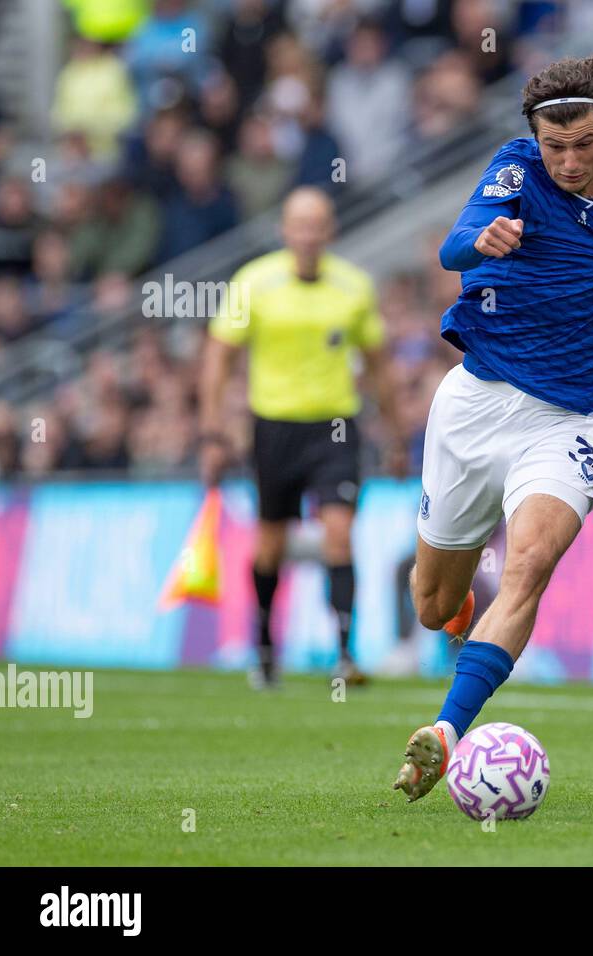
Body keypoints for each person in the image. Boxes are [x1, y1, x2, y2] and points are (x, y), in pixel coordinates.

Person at [392, 51, 593, 804]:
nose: (569, 161)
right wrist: (484, 241)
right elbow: (450, 248)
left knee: (530, 563)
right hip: (475, 406)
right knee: (432, 604)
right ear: (535, 137)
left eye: (583, 144)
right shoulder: (514, 169)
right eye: (554, 145)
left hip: (569, 421)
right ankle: (461, 619)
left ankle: (445, 729)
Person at [199, 187, 406, 688]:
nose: (309, 235)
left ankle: (343, 653)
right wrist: (212, 431)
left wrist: (396, 434)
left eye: (318, 225)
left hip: (335, 427)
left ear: (330, 231)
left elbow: (379, 366)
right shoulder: (255, 282)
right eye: (301, 225)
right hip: (273, 427)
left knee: (339, 531)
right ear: (285, 230)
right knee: (270, 542)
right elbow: (219, 356)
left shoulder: (353, 287)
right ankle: (265, 645)